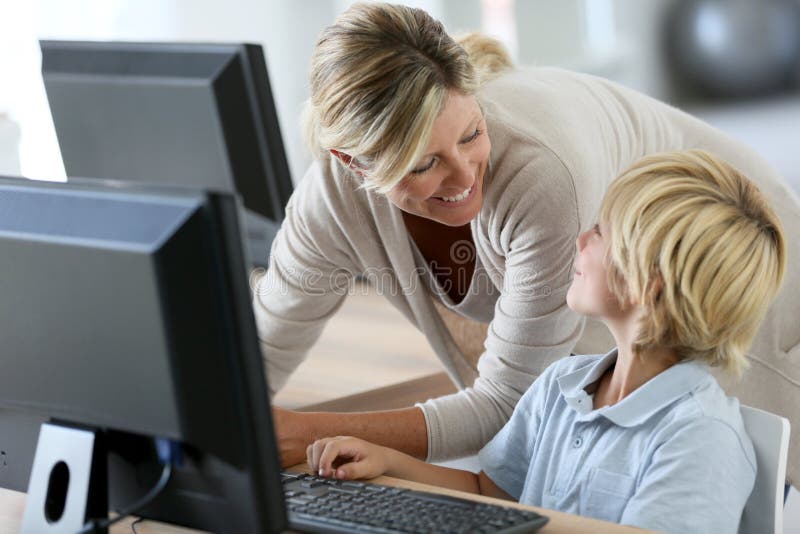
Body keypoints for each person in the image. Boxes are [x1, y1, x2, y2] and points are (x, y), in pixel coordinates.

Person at [253, 1, 800, 476]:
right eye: (425, 164)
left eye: (471, 134)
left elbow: (507, 403)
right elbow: (261, 349)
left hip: (732, 264)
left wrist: (308, 433)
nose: (466, 177)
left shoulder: (543, 176)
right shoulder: (330, 199)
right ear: (352, 163)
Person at [305, 150, 787, 533]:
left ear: (647, 282)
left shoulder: (701, 436)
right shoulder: (561, 383)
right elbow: (492, 493)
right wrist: (390, 462)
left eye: (600, 231)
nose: (580, 239)